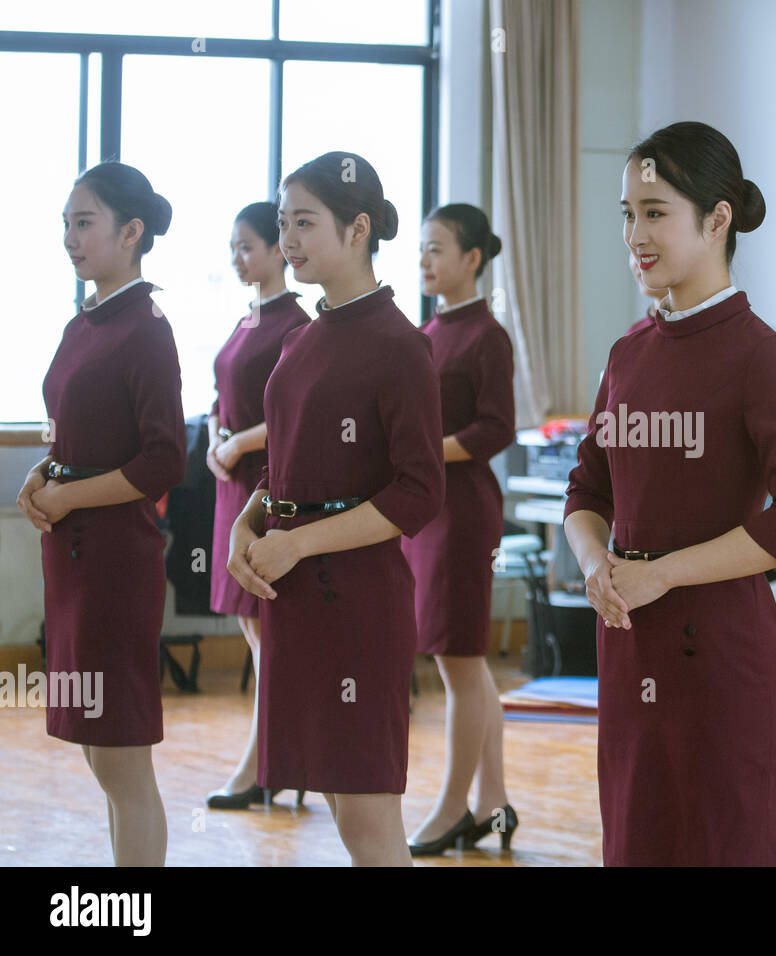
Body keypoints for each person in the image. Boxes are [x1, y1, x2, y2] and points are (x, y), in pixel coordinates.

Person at [564, 121, 776, 865]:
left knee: (723, 844)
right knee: (637, 839)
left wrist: (665, 571)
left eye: (655, 212)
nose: (635, 234)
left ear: (717, 221)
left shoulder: (762, 356)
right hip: (627, 641)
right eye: (627, 213)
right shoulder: (627, 353)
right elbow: (586, 489)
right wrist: (595, 564)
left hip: (720, 651)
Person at [226, 151, 444, 866]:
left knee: (367, 807)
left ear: (357, 230)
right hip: (295, 594)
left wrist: (298, 543)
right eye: (284, 223)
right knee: (339, 801)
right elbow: (284, 463)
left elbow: (418, 491)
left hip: (355, 600)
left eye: (304, 223)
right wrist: (246, 523)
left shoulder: (399, 345)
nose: (288, 239)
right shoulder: (302, 337)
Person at [16, 161, 186, 865]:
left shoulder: (147, 326)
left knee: (121, 761)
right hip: (73, 554)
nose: (69, 238)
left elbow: (162, 460)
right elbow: (72, 429)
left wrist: (68, 494)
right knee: (96, 751)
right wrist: (41, 474)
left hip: (115, 559)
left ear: (131, 231)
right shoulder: (85, 320)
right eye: (65, 223)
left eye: (83, 223)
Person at [403, 203, 518, 855]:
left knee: (461, 661)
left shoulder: (487, 336)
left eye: (436, 249)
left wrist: (425, 449)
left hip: (464, 510)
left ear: (472, 259)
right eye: (421, 248)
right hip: (427, 510)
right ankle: (493, 803)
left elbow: (496, 428)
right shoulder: (425, 333)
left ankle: (452, 808)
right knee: (464, 667)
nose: (424, 260)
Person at [206, 201, 310, 810]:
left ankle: (265, 762)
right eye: (233, 248)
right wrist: (221, 438)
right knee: (252, 630)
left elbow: (295, 415)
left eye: (248, 246)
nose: (239, 258)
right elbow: (225, 393)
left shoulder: (294, 322)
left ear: (277, 250)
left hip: (264, 483)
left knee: (266, 631)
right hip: (231, 479)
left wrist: (239, 441)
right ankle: (277, 757)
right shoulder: (247, 319)